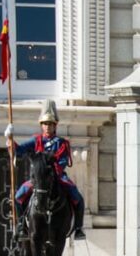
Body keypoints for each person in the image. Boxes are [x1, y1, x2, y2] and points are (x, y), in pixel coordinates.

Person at [5, 99, 87, 240]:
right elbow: (19, 151)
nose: (47, 127)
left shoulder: (62, 143)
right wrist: (10, 140)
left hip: (58, 176)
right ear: (41, 125)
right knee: (19, 196)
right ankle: (21, 225)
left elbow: (62, 161)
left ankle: (78, 228)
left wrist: (53, 171)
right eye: (44, 124)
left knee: (77, 198)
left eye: (50, 124)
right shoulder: (35, 141)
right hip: (38, 178)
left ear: (55, 126)